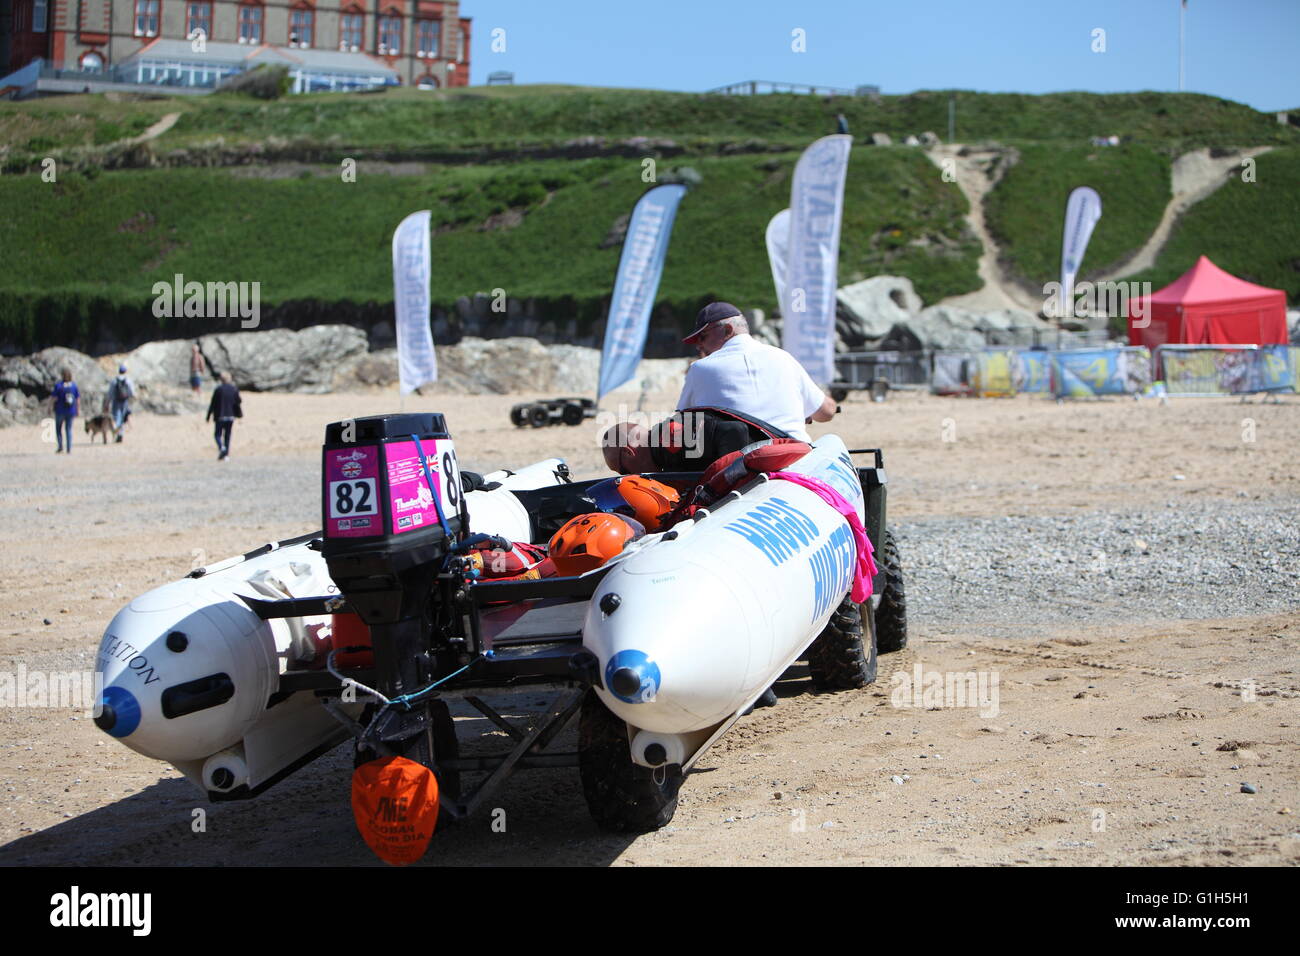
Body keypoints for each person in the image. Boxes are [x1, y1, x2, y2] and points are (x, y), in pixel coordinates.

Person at [677, 301, 836, 442]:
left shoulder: (699, 368)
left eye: (702, 337)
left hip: (734, 462)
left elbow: (680, 423)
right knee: (831, 441)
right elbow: (827, 412)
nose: (699, 345)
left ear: (727, 330)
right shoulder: (783, 357)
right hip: (792, 456)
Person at [206, 371, 242, 460]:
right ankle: (226, 455)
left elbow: (212, 404)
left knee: (217, 435)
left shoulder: (218, 389)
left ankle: (222, 447)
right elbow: (239, 401)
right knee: (228, 435)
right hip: (231, 416)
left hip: (220, 415)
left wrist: (208, 415)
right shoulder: (234, 389)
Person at [50, 367, 80, 454]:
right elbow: (77, 399)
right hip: (71, 410)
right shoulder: (74, 386)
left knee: (58, 429)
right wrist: (78, 410)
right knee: (69, 429)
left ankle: (60, 446)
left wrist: (49, 407)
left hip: (60, 410)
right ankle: (69, 448)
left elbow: (54, 398)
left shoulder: (59, 386)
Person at [107, 364, 135, 443]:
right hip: (124, 401)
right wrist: (131, 398)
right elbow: (131, 392)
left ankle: (118, 433)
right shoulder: (128, 380)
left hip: (116, 401)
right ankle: (120, 433)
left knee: (116, 417)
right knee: (122, 418)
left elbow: (110, 392)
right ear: (125, 371)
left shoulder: (114, 380)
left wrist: (108, 402)